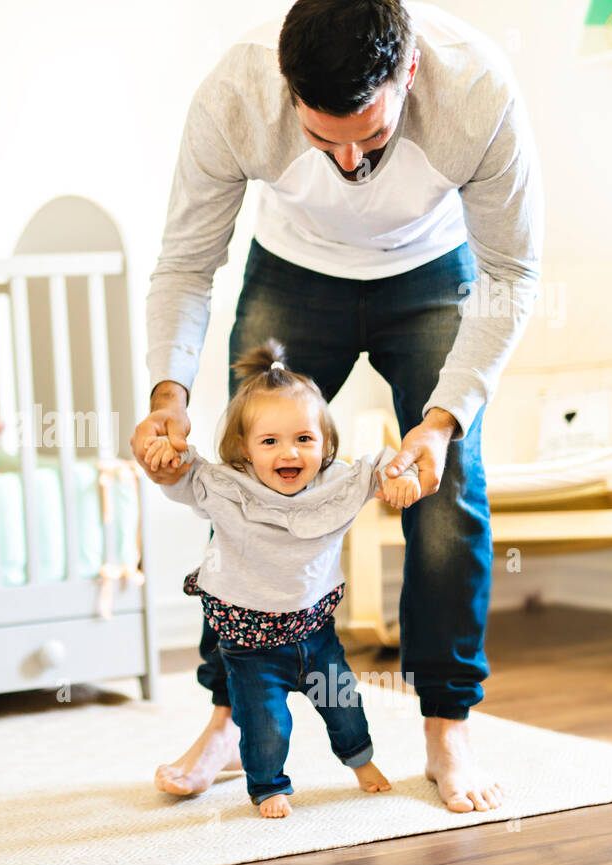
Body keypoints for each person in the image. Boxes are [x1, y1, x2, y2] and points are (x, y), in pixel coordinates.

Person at [131, 0, 544, 813]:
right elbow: (184, 263)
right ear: (288, 94)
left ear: (411, 72)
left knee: (448, 489)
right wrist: (169, 395)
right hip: (293, 270)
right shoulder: (235, 94)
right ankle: (230, 714)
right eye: (326, 139)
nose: (351, 162)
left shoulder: (479, 92)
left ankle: (446, 725)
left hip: (432, 272)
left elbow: (514, 274)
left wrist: (441, 419)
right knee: (245, 486)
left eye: (372, 137)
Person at [145, 340, 416, 816]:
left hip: (316, 635)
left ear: (325, 444)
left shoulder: (338, 484)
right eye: (270, 442)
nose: (288, 452)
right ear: (244, 450)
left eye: (304, 439)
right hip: (250, 646)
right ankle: (269, 786)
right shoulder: (228, 486)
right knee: (265, 724)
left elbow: (384, 464)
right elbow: (180, 479)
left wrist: (403, 476)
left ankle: (361, 762)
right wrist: (163, 461)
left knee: (345, 706)